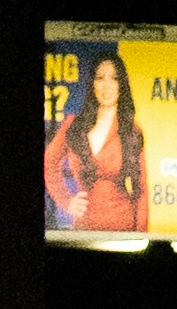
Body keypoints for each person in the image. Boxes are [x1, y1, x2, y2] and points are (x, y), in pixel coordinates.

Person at [42, 40, 149, 236]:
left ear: (121, 84)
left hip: (122, 229)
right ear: (92, 83)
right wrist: (66, 201)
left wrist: (141, 236)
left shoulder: (131, 130)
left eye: (114, 78)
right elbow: (48, 162)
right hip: (83, 230)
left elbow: (141, 190)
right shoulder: (74, 125)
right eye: (100, 78)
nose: (106, 86)